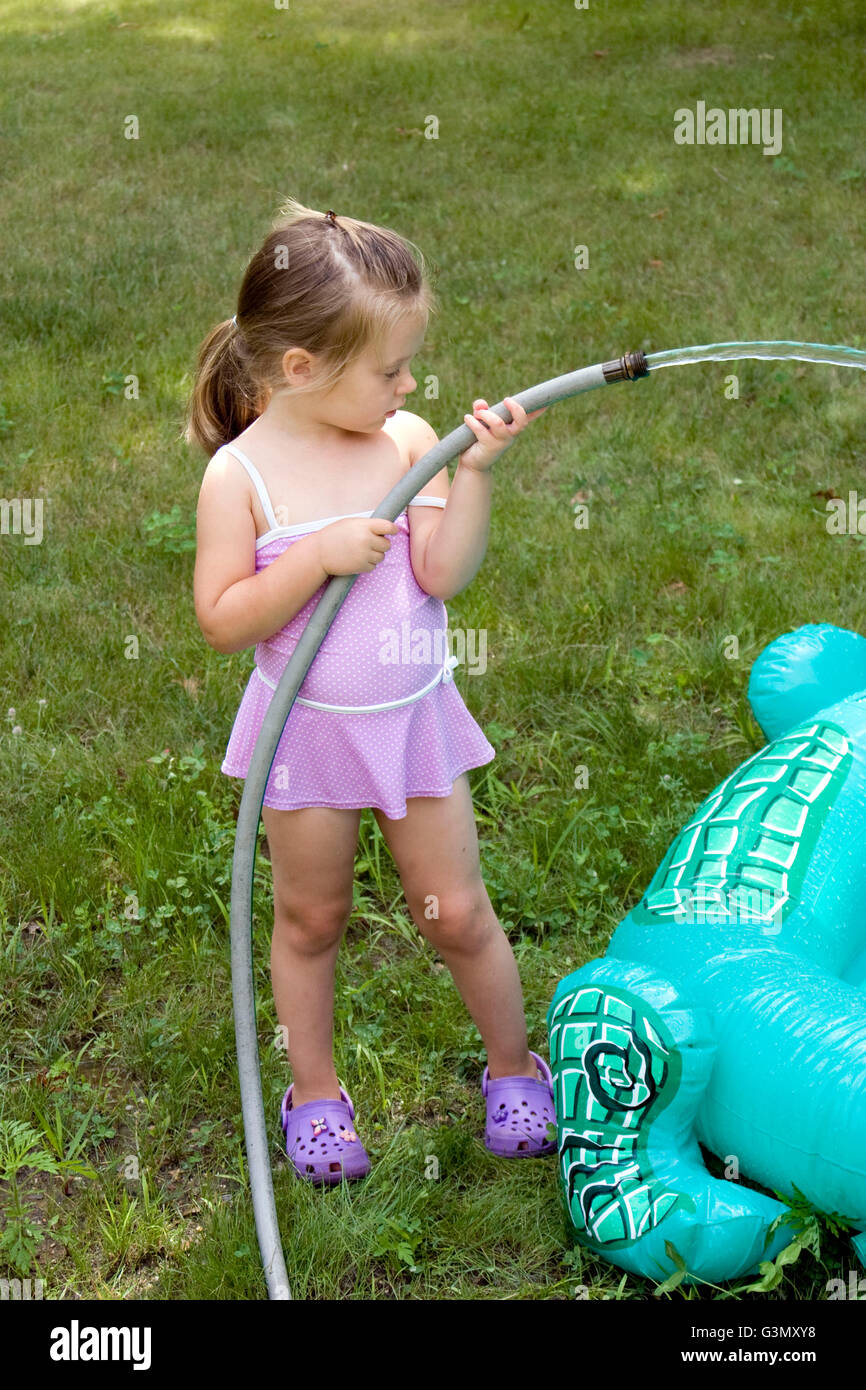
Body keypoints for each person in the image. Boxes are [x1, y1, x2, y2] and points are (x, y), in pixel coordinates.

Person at [186, 197, 554, 1184]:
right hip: (305, 739)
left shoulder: (404, 441)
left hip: (409, 726)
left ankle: (515, 1068)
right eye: (389, 367)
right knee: (310, 919)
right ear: (300, 369)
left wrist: (470, 475)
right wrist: (313, 562)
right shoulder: (242, 478)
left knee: (455, 912)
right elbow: (223, 618)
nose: (409, 381)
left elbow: (439, 574)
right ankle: (315, 1096)